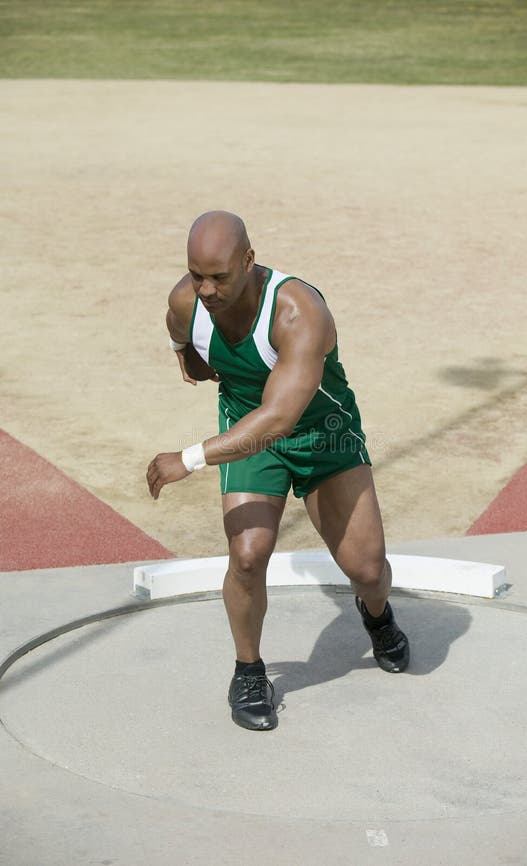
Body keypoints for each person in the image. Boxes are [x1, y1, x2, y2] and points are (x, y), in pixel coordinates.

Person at [146, 211, 409, 732]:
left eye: (219, 276)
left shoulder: (297, 310)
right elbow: (183, 336)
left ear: (249, 259)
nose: (206, 289)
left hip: (320, 432)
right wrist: (186, 353)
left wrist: (189, 458)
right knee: (247, 556)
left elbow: (281, 418)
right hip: (247, 429)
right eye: (197, 274)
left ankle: (377, 615)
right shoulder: (186, 301)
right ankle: (248, 670)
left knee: (368, 570)